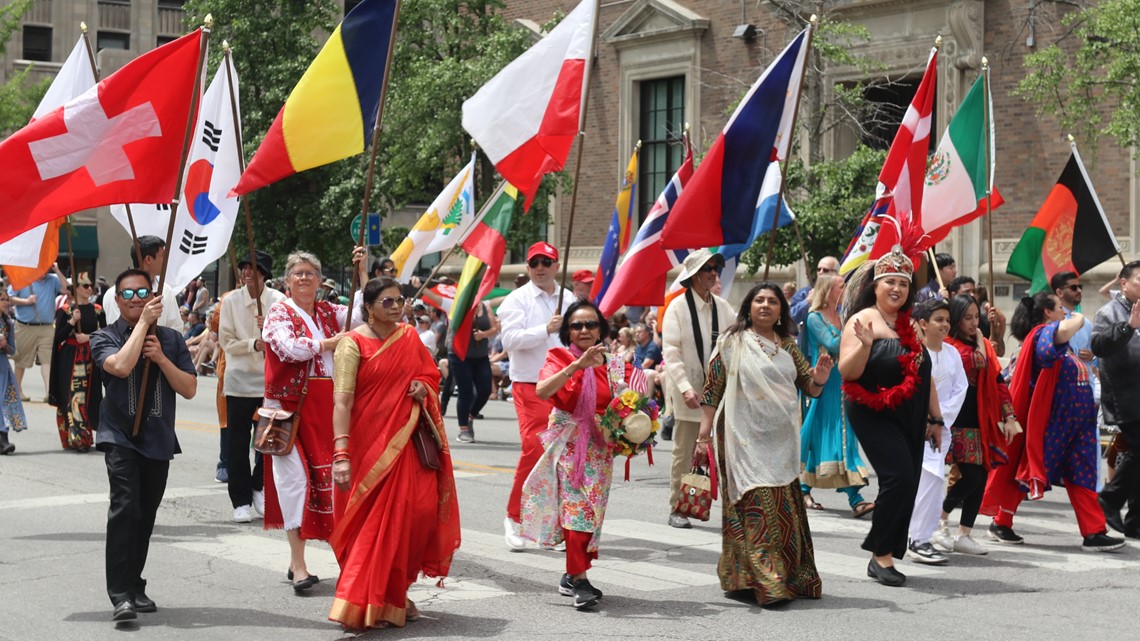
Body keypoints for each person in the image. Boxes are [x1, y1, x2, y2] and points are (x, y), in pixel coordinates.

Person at [329, 277, 460, 630]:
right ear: (368, 308)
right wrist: (341, 452)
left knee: (418, 514)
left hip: (406, 445)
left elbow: (430, 376)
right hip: (365, 448)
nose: (395, 306)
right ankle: (368, 599)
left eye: (398, 300)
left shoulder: (409, 338)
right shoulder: (351, 344)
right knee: (371, 527)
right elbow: (341, 401)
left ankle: (395, 590)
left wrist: (423, 386)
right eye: (386, 301)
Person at [696, 282, 832, 604]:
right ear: (747, 307)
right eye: (759, 300)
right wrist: (702, 437)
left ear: (781, 311)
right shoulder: (731, 343)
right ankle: (769, 583)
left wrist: (821, 378)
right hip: (742, 438)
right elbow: (712, 390)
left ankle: (793, 578)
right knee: (756, 504)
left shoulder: (787, 345)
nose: (766, 306)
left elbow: (809, 387)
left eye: (773, 301)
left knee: (784, 508)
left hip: (782, 441)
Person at [522, 299, 647, 609]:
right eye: (576, 325)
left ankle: (571, 573)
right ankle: (580, 579)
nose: (584, 330)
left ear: (601, 328)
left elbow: (633, 398)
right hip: (568, 446)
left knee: (593, 512)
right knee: (577, 510)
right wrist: (578, 366)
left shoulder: (616, 363)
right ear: (567, 331)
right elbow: (542, 391)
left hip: (601, 448)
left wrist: (637, 426)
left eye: (591, 324)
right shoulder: (559, 356)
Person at [90, 269, 197, 622]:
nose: (136, 299)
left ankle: (134, 584)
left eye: (143, 292)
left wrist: (162, 358)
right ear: (117, 300)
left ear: (155, 296)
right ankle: (120, 595)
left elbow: (189, 388)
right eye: (128, 294)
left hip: (158, 438)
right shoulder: (103, 336)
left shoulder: (172, 339)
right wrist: (140, 329)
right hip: (119, 437)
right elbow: (119, 367)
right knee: (125, 509)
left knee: (145, 515)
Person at [980, 292, 1124, 552]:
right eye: (1060, 308)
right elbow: (1049, 349)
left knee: (1082, 475)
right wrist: (1079, 317)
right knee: (1028, 472)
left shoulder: (1064, 345)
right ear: (1047, 312)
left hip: (1077, 426)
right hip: (1052, 426)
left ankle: (1093, 532)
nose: (1065, 312)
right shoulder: (1043, 334)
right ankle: (1001, 521)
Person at [262, 248, 365, 592]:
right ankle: (299, 563)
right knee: (295, 484)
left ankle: (348, 560)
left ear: (320, 281)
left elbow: (363, 315)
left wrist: (361, 271)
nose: (305, 278)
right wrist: (327, 343)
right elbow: (286, 347)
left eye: (311, 273)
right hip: (287, 410)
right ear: (287, 281)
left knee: (335, 484)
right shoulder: (278, 311)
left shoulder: (327, 311)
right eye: (298, 273)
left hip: (326, 409)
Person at [838, 245, 940, 587]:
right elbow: (847, 373)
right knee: (898, 477)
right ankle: (880, 556)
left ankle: (884, 553)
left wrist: (935, 419)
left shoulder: (912, 325)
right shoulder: (861, 319)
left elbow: (926, 373)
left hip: (909, 413)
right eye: (890, 282)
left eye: (903, 283)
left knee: (908, 480)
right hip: (871, 409)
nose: (897, 289)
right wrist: (865, 346)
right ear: (876, 286)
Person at [498, 241, 574, 550]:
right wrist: (546, 328)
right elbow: (510, 340)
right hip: (529, 384)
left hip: (564, 385)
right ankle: (514, 517)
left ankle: (553, 526)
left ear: (556, 266)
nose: (540, 268)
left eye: (546, 262)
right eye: (534, 263)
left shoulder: (569, 299)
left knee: (563, 457)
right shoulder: (516, 299)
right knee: (534, 448)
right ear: (527, 268)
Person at [933, 295, 1018, 557]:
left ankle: (964, 534)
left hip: (981, 420)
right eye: (967, 317)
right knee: (974, 476)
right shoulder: (950, 346)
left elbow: (998, 381)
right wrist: (982, 342)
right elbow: (974, 363)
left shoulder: (981, 347)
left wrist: (1010, 417)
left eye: (975, 317)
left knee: (979, 477)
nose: (972, 322)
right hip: (955, 421)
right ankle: (939, 518)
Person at [662, 249, 734, 529]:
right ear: (693, 275)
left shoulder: (723, 307)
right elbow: (671, 352)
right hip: (689, 394)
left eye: (716, 268)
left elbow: (734, 341)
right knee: (686, 451)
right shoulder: (677, 308)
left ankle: (731, 508)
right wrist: (684, 387)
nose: (714, 273)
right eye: (708, 268)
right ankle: (677, 507)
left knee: (724, 451)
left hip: (719, 394)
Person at [219, 250, 285, 524]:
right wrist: (252, 344)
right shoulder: (231, 301)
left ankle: (259, 486)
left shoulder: (279, 301)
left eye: (253, 270)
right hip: (238, 382)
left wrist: (269, 328)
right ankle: (240, 500)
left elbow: (287, 337)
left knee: (268, 442)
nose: (247, 273)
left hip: (269, 382)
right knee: (236, 444)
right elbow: (225, 341)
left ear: (264, 275)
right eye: (244, 268)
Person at [799, 273, 872, 516]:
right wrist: (857, 335)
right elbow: (832, 344)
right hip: (825, 382)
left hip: (846, 380)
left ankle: (806, 487)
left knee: (842, 434)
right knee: (825, 434)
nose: (845, 289)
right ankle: (853, 497)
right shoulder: (814, 317)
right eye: (841, 286)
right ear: (828, 290)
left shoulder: (844, 316)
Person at [907, 299, 967, 564]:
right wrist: (926, 419)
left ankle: (920, 537)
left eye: (947, 320)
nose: (945, 325)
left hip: (941, 429)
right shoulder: (914, 354)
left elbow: (960, 390)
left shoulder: (953, 354)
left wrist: (940, 419)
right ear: (922, 324)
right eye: (938, 320)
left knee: (933, 482)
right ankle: (916, 539)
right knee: (924, 482)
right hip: (916, 428)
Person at [1093, 260, 1140, 537]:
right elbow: (1098, 345)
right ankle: (1108, 499)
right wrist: (1128, 326)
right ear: (1124, 283)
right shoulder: (1108, 311)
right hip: (1124, 393)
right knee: (1136, 450)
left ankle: (1135, 521)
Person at [48, 272, 106, 452]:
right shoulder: (65, 310)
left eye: (91, 286)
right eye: (86, 286)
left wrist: (89, 337)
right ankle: (76, 437)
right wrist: (72, 321)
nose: (90, 289)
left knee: (88, 396)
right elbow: (58, 337)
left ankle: (85, 435)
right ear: (76, 289)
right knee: (73, 396)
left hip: (89, 358)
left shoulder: (97, 310)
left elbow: (106, 334)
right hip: (70, 357)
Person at [9, 263, 66, 402]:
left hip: (46, 327)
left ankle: (48, 392)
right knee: (21, 360)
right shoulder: (23, 279)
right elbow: (9, 298)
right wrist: (25, 301)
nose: (44, 272)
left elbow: (65, 289)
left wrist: (57, 270)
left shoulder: (52, 280)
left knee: (47, 360)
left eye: (46, 269)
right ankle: (17, 391)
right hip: (25, 326)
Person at [102, 235, 183, 330]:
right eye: (163, 256)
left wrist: (161, 344)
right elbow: (117, 334)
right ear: (148, 259)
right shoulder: (114, 294)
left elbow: (176, 327)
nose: (166, 260)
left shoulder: (166, 291)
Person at [449, 298, 498, 443]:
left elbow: (494, 329)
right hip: (460, 356)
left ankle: (471, 415)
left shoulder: (485, 306)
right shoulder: (458, 304)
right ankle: (463, 429)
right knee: (466, 393)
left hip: (480, 356)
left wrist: (483, 335)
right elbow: (452, 324)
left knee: (485, 390)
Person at [0, 291, 28, 454]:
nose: (5, 302)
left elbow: (13, 350)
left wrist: (4, 346)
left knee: (4, 401)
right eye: (2, 299)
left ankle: (4, 438)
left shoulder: (8, 323)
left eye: (7, 300)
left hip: (3, 365)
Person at [790, 256, 840, 324]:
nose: (820, 272)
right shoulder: (804, 293)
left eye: (825, 270)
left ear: (836, 273)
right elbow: (789, 319)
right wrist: (807, 302)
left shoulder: (841, 293)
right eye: (819, 269)